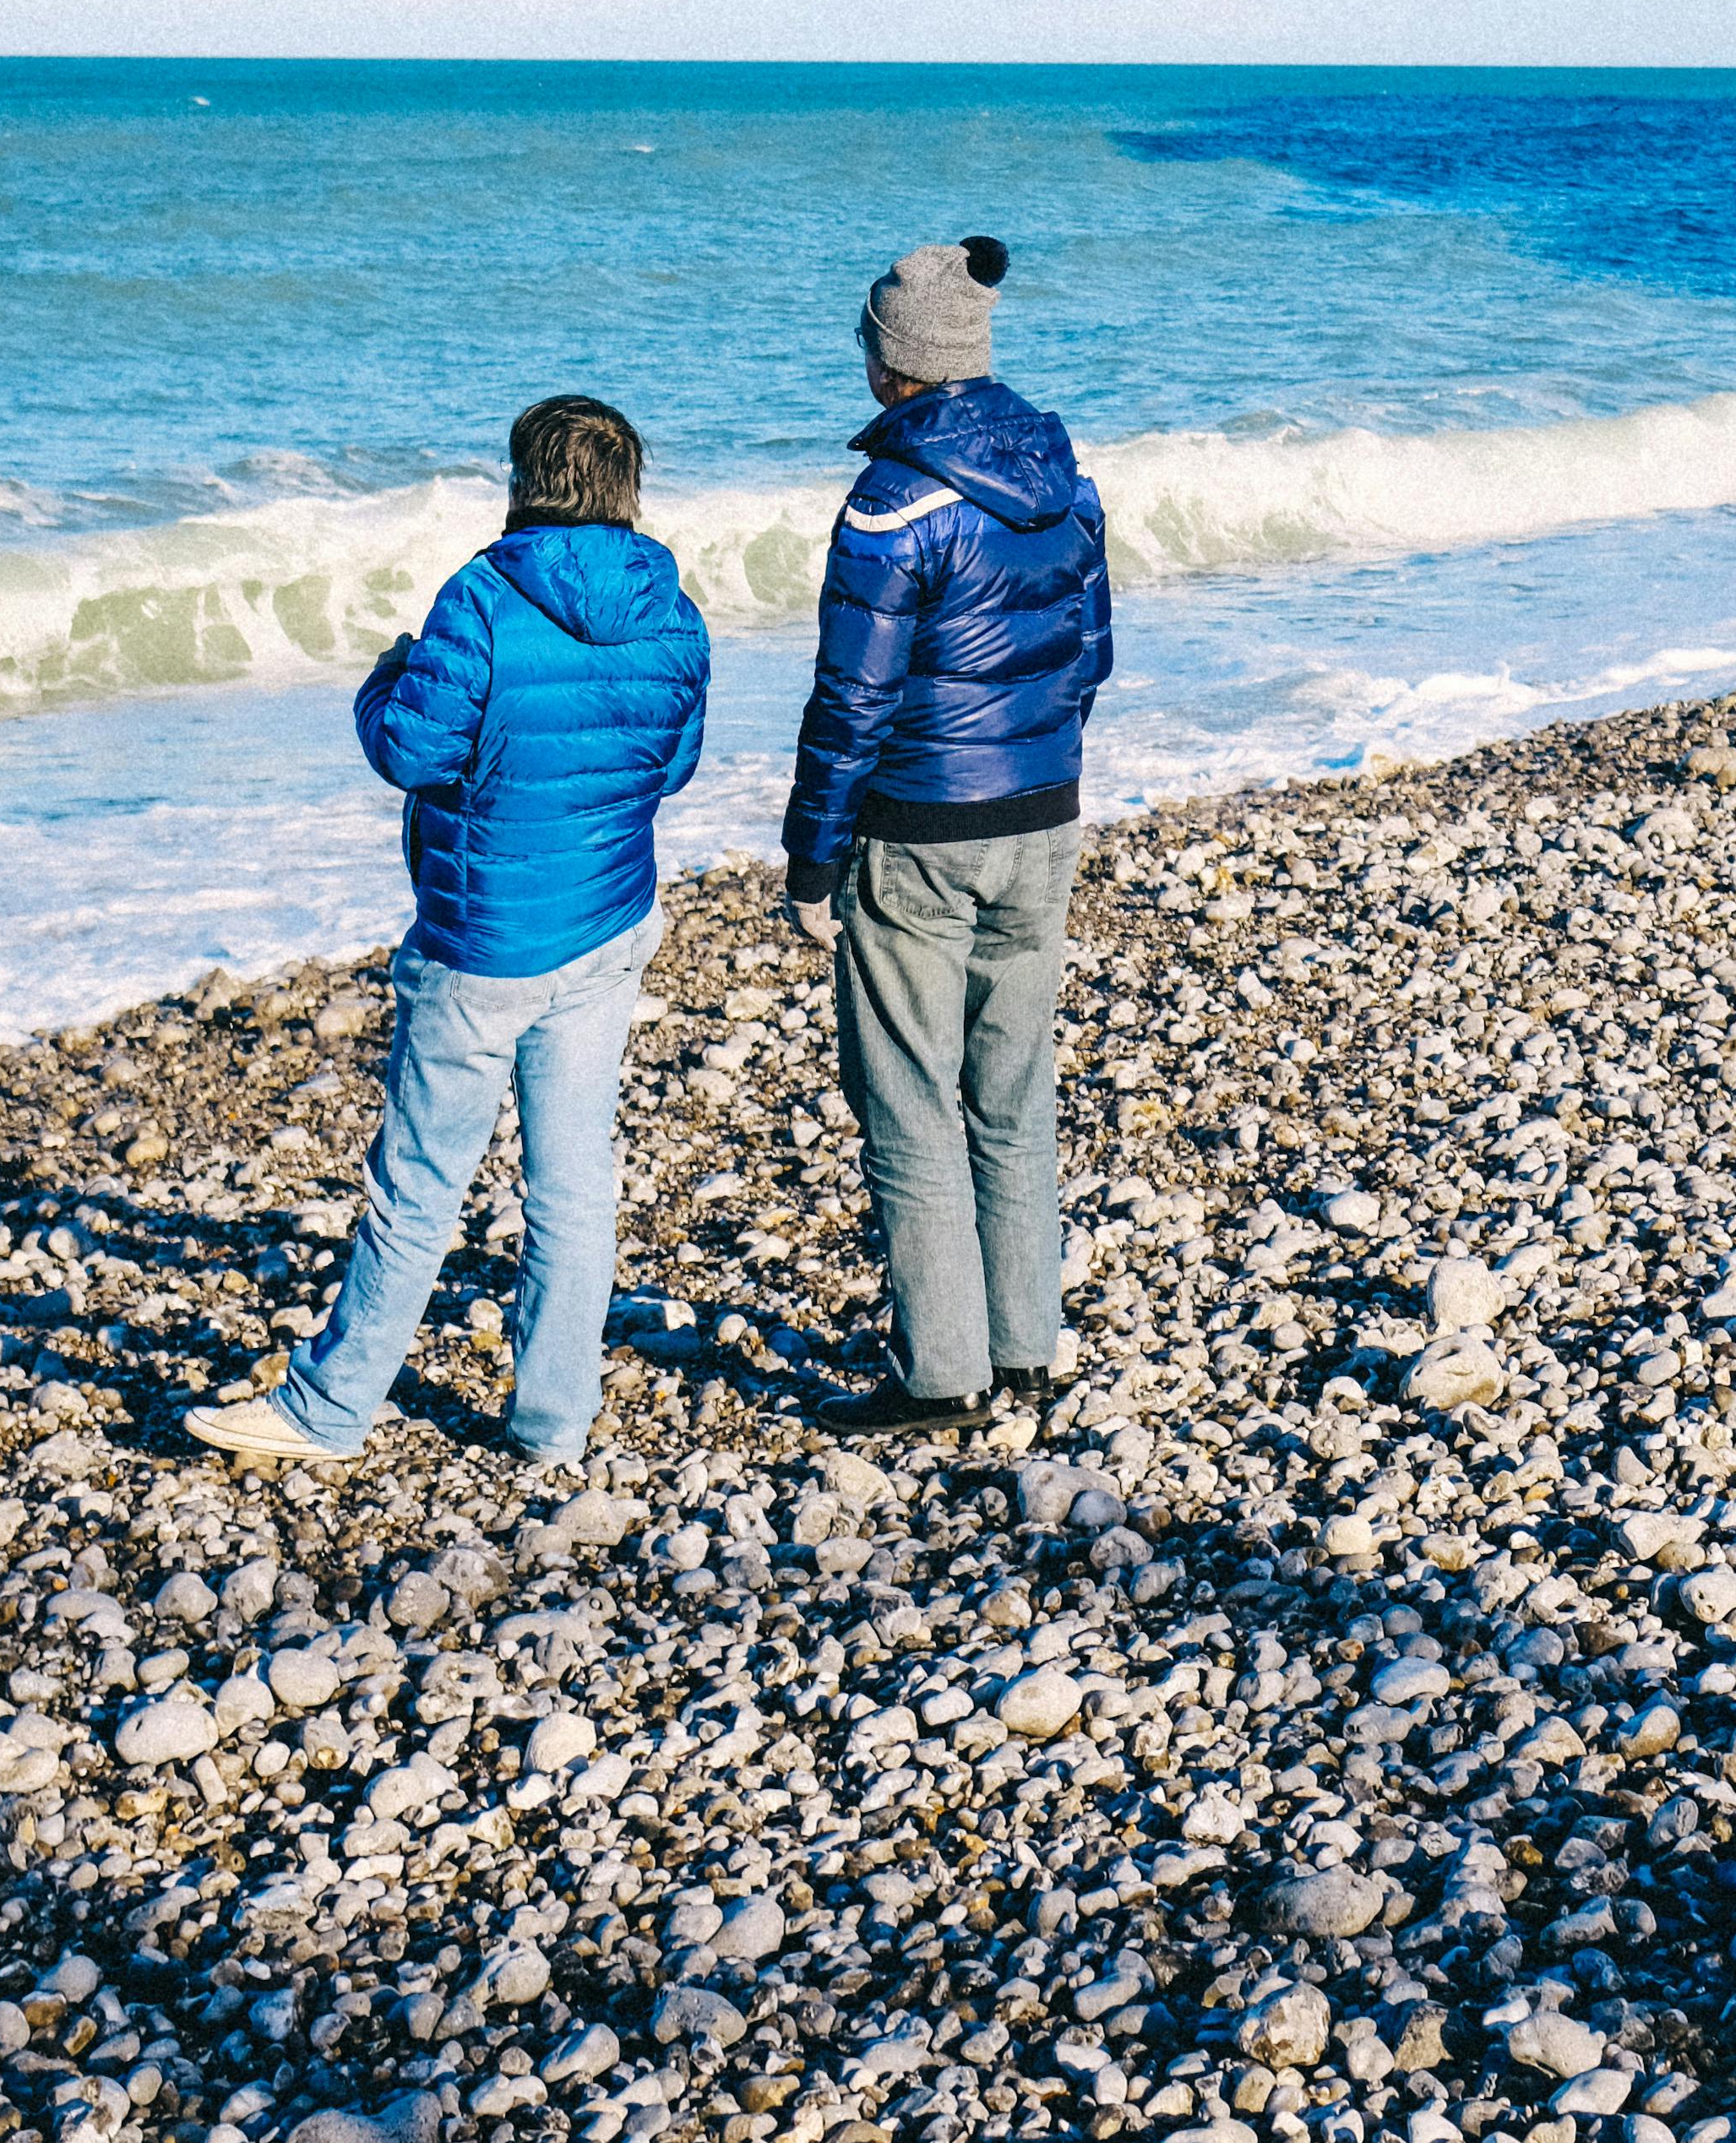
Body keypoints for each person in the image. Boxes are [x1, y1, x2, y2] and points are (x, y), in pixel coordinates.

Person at [187, 390, 708, 1471]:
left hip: (482, 939)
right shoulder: (673, 610)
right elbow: (672, 764)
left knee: (420, 1183)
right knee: (571, 1182)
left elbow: (411, 751)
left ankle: (331, 1411)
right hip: (610, 918)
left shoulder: (480, 598)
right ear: (627, 490)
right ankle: (553, 1424)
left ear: (525, 484)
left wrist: (385, 672)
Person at [783, 234, 1113, 1436]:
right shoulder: (1064, 473)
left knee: (909, 1097)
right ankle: (1027, 1344)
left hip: (920, 828)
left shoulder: (890, 502)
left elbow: (850, 700)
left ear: (895, 366)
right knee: (1015, 1090)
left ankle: (943, 1375)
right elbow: (1090, 653)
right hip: (1043, 809)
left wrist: (812, 856)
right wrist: (1039, 758)